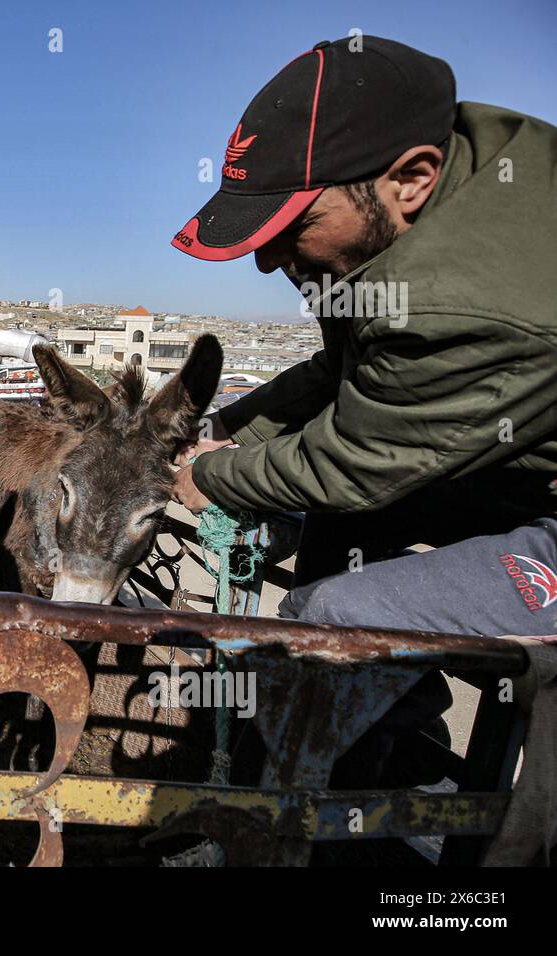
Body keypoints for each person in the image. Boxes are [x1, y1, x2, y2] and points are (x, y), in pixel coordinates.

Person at [166, 35, 557, 782]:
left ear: (411, 178)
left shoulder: (460, 302)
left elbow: (354, 463)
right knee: (343, 532)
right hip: (529, 469)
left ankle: (290, 824)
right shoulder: (415, 212)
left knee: (334, 618)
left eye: (291, 225)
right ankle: (374, 752)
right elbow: (339, 373)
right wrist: (215, 434)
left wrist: (215, 479)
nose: (269, 259)